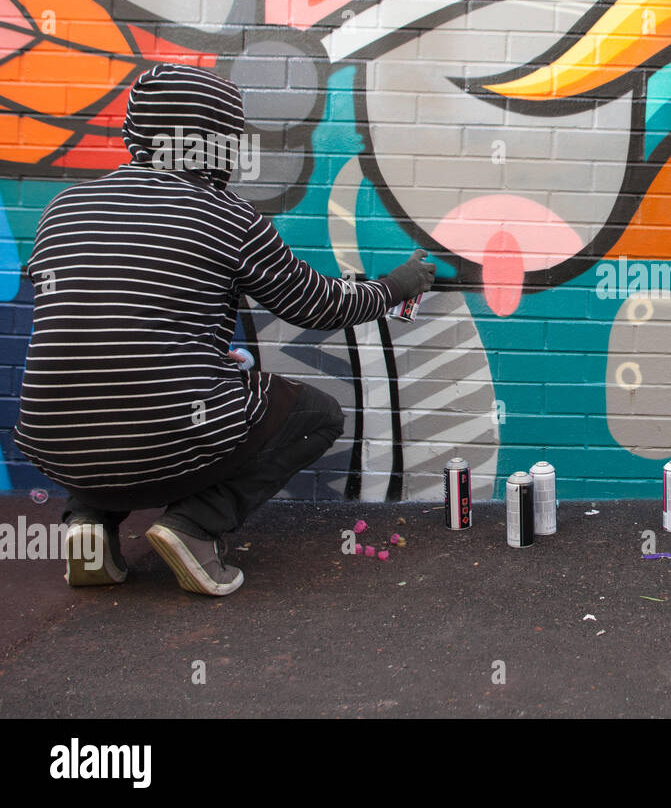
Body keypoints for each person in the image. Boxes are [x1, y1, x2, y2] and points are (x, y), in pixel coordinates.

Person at [13, 63, 438, 596]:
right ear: (214, 142)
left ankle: (90, 525)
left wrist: (209, 360)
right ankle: (195, 526)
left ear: (137, 134)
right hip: (162, 438)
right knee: (316, 416)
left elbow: (104, 332)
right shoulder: (225, 216)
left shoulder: (63, 208)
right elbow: (316, 306)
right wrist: (395, 286)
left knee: (104, 402)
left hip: (53, 441)